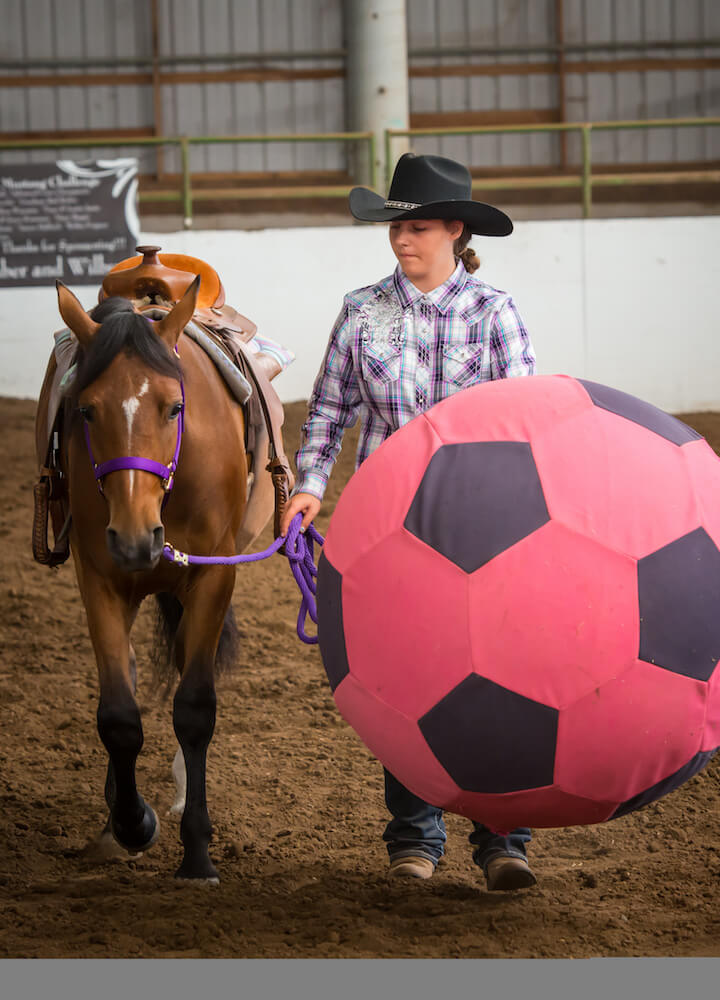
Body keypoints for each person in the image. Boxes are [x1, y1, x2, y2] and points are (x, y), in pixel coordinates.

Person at [281, 153, 538, 892]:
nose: (401, 240)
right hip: (387, 526)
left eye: (418, 228)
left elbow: (523, 424)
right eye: (397, 228)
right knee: (403, 679)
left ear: (455, 231)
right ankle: (415, 837)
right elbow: (329, 410)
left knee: (498, 676)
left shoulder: (494, 312)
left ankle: (503, 838)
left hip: (483, 526)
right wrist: (310, 486)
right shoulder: (361, 311)